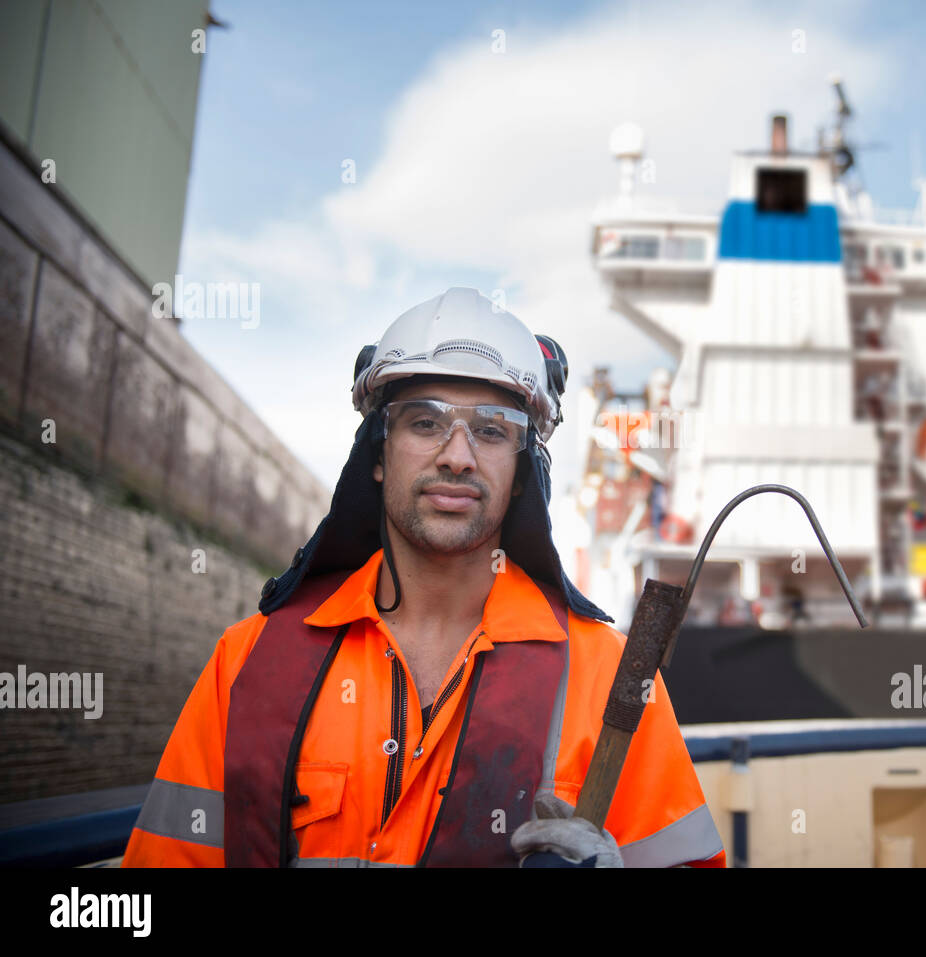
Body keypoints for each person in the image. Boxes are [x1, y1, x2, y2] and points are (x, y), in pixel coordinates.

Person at [121, 287, 726, 868]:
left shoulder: (609, 680)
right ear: (378, 455)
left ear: (521, 473)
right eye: (425, 422)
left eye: (491, 429)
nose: (456, 456)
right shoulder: (246, 662)